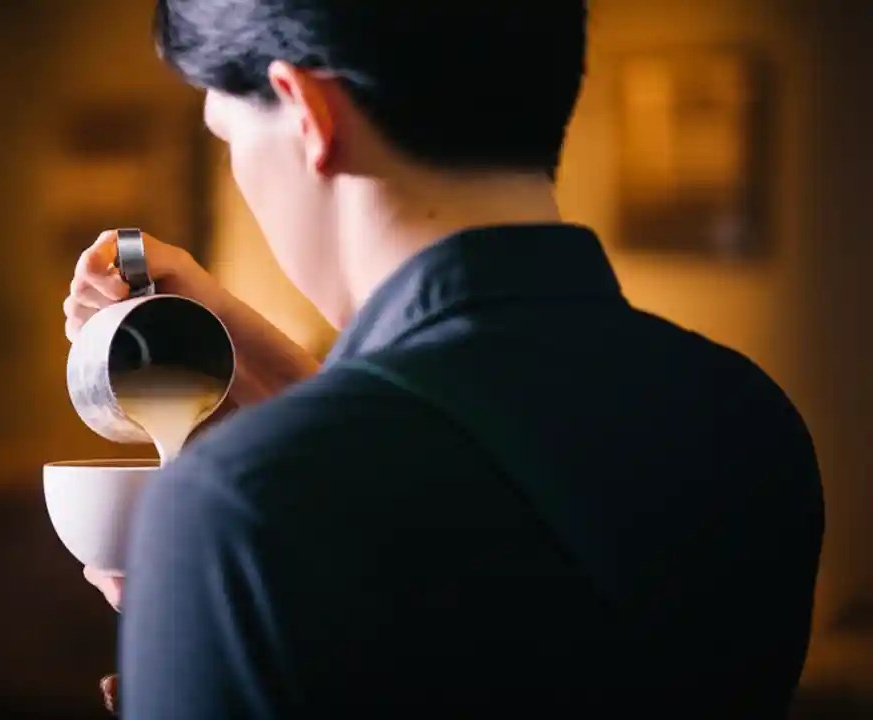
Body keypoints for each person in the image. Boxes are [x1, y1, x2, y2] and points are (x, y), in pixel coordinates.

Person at [64, 2, 824, 717]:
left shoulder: (242, 512)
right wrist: (237, 339)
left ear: (308, 113)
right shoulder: (749, 420)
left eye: (228, 136)